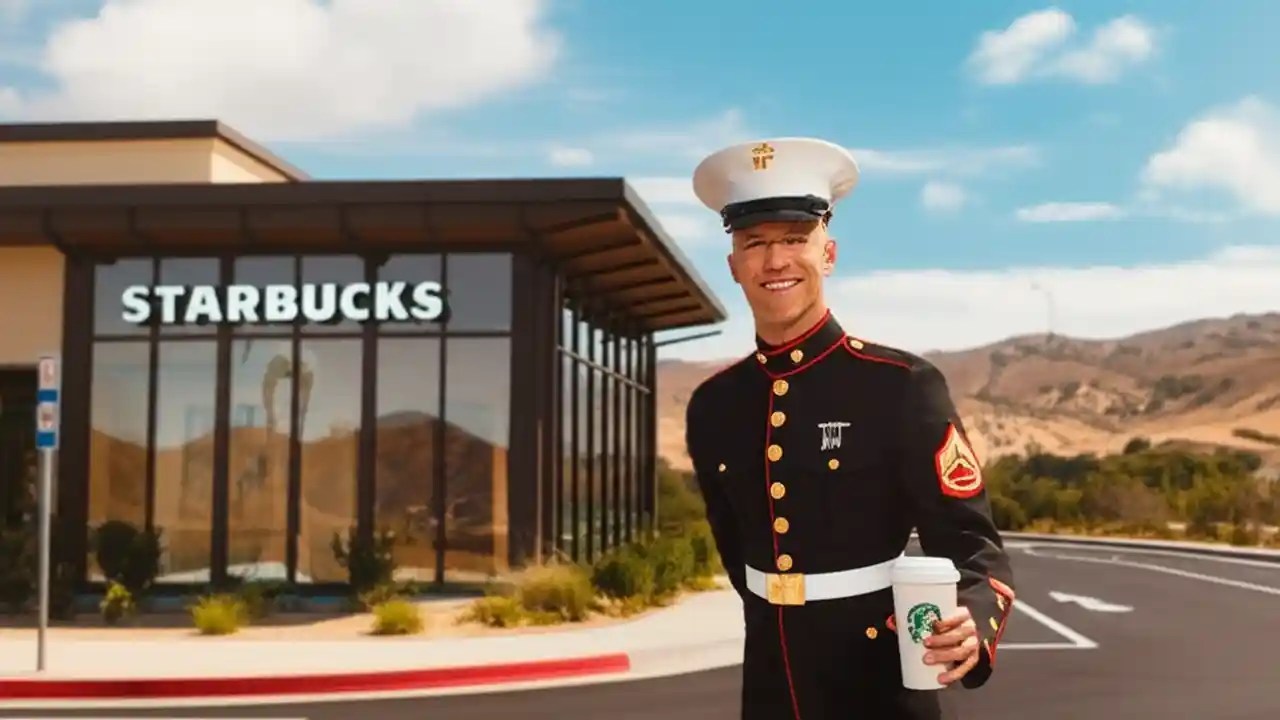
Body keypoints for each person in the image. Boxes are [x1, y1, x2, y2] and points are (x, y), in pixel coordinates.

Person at [684, 137, 1016, 719]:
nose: (775, 260)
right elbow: (737, 553)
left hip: (879, 689)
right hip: (769, 687)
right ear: (734, 265)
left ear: (829, 254)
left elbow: (971, 543)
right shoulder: (713, 407)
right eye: (754, 243)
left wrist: (972, 617)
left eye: (794, 239)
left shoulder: (900, 385)